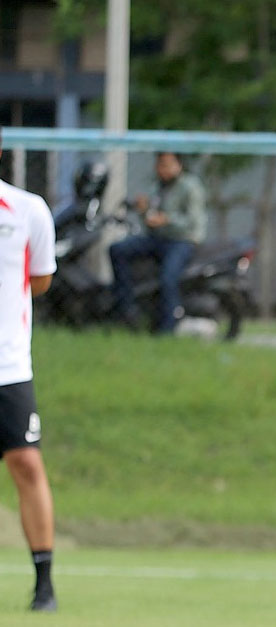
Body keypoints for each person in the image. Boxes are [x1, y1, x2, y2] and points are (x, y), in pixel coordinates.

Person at [0, 137, 59, 612]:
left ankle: (44, 584)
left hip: (9, 366)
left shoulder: (27, 210)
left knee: (26, 463)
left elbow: (40, 280)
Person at [109, 151, 207, 333]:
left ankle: (168, 326)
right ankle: (126, 308)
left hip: (182, 241)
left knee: (168, 277)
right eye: (159, 165)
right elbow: (151, 220)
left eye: (166, 165)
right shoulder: (157, 187)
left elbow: (194, 221)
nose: (161, 169)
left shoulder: (190, 186)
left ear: (178, 165)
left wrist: (167, 219)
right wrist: (144, 211)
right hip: (158, 238)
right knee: (118, 249)